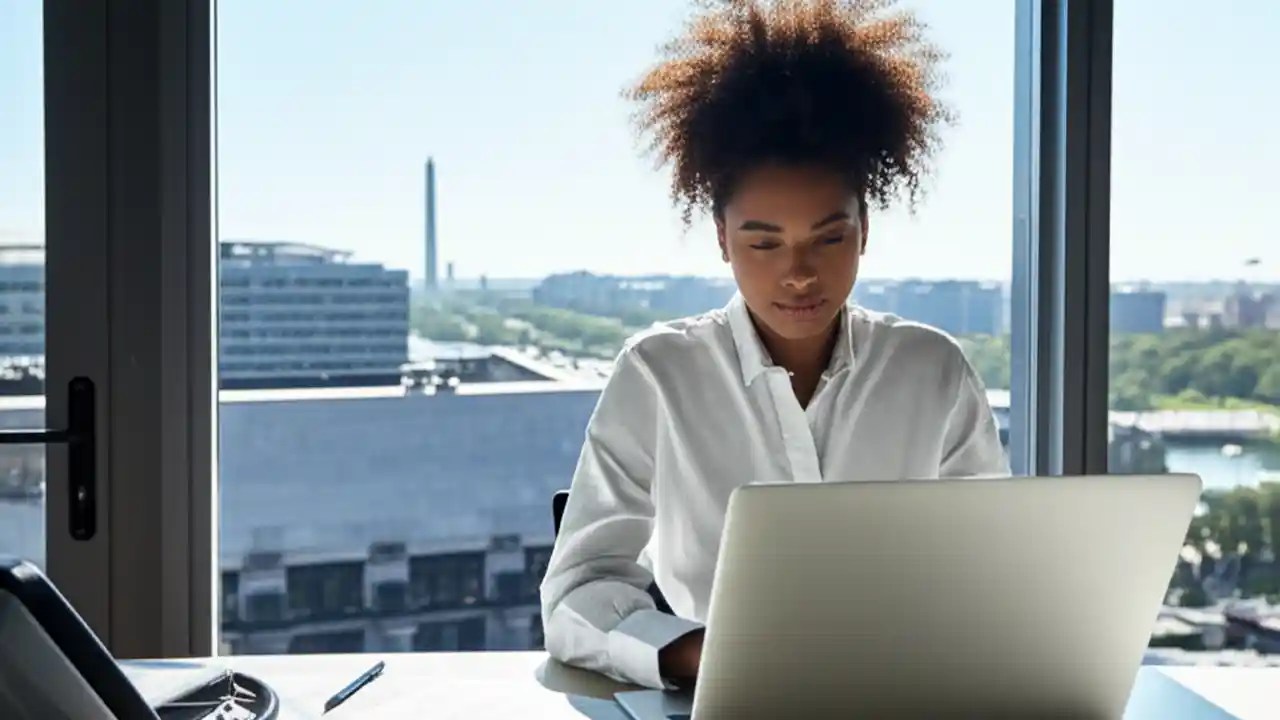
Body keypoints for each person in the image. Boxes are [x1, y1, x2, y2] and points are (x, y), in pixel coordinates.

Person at [540, 0, 1008, 690]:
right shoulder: (658, 373)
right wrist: (693, 655)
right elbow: (579, 590)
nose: (798, 272)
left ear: (865, 228)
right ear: (723, 238)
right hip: (726, 694)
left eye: (829, 237)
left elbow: (995, 572)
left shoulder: (932, 369)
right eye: (763, 242)